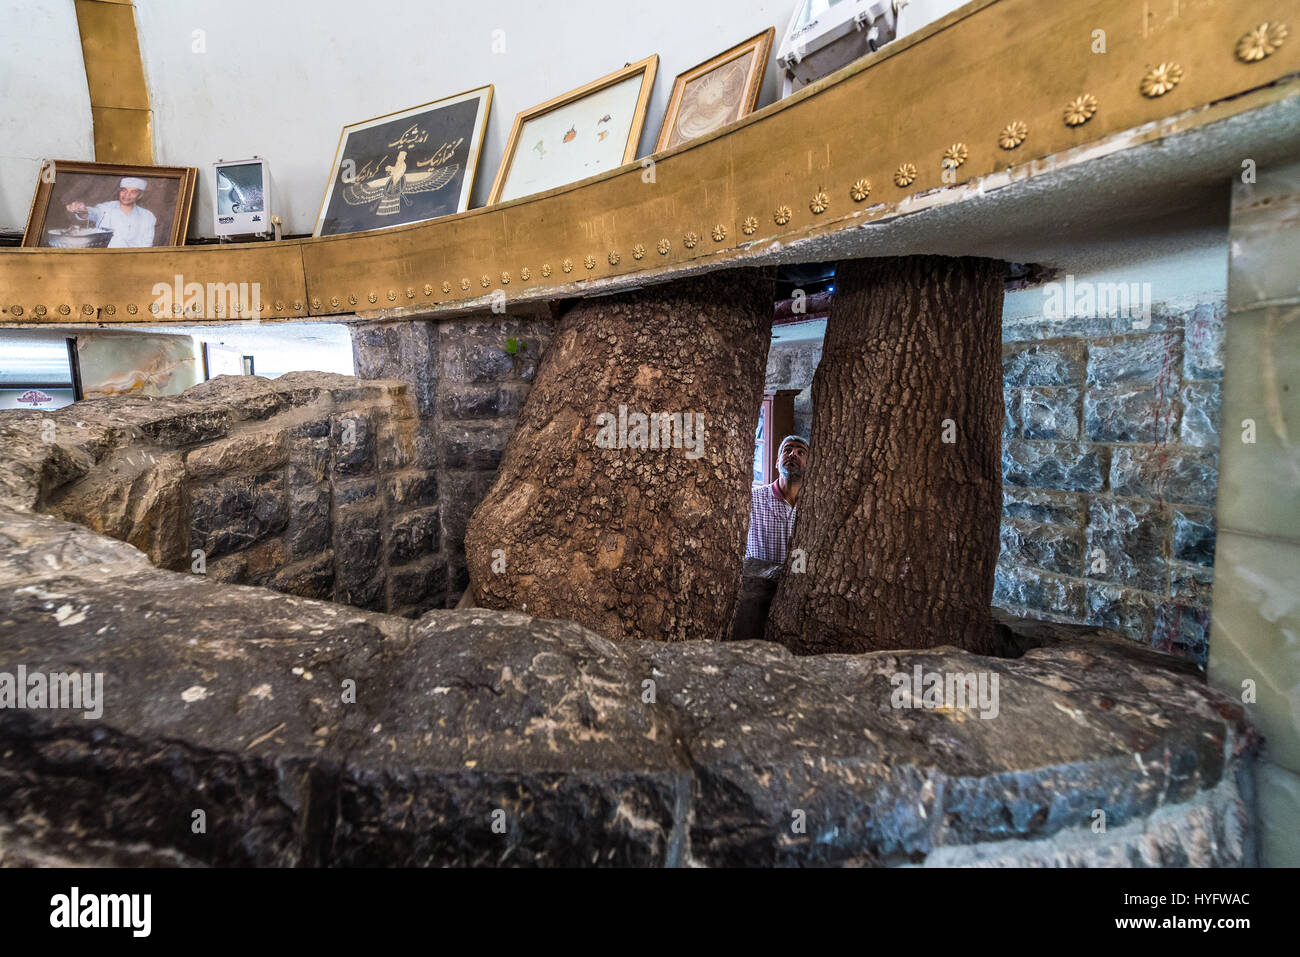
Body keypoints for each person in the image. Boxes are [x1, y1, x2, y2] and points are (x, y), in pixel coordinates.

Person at [746, 434, 808, 564]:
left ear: (810, 467)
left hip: (799, 581)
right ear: (777, 462)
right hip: (756, 581)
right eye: (787, 450)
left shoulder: (813, 505)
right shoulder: (752, 499)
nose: (793, 454)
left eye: (800, 452)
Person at [64, 177, 157, 247]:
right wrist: (82, 210)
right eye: (124, 190)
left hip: (132, 261)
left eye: (133, 192)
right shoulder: (106, 208)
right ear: (119, 192)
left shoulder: (147, 216)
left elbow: (146, 245)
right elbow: (91, 213)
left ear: (140, 196)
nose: (126, 195)